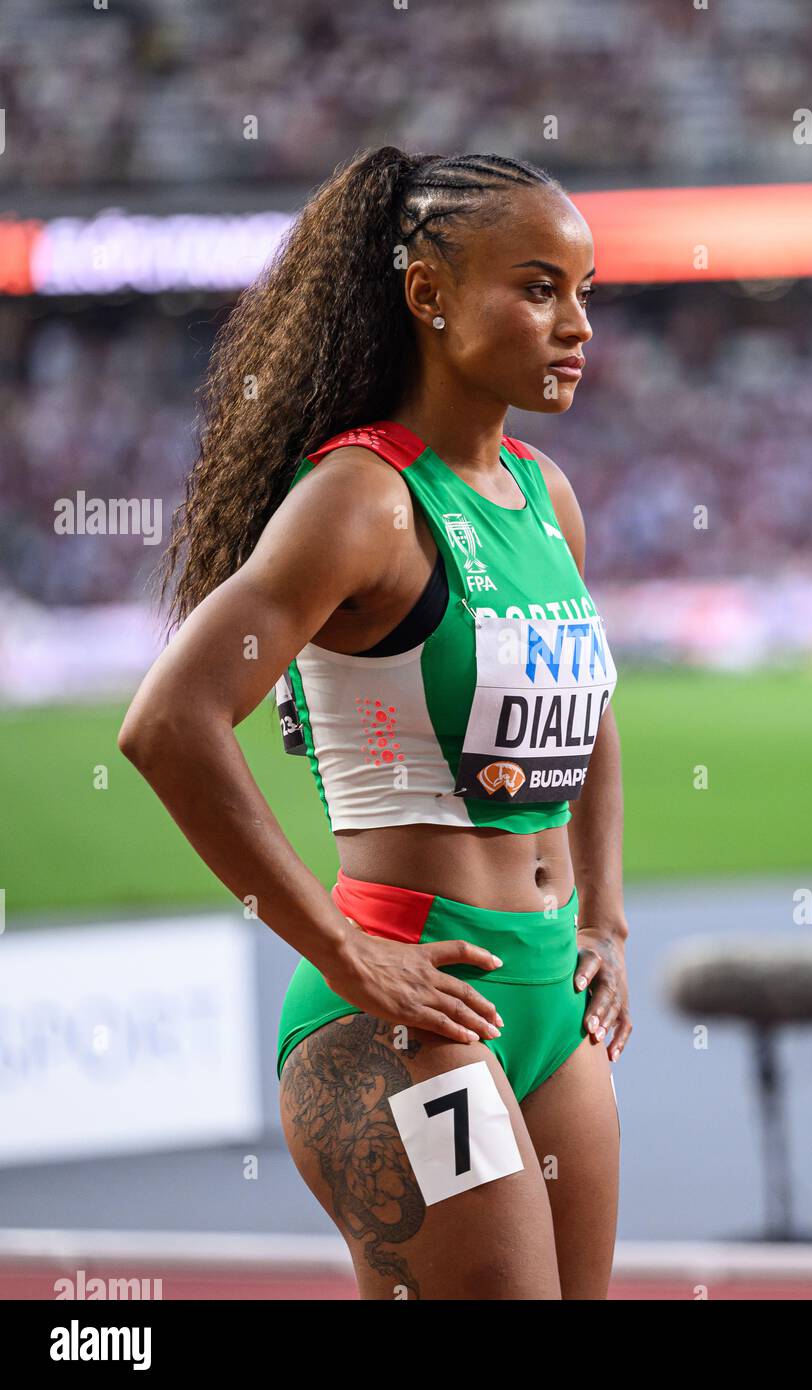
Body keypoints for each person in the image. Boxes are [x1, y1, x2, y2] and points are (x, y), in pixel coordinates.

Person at [118, 146, 631, 1300]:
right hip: (406, 1008)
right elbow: (170, 723)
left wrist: (607, 919)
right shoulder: (361, 502)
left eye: (584, 293)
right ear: (429, 295)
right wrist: (343, 951)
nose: (576, 325)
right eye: (539, 287)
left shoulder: (545, 498)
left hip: (550, 997)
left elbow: (592, 717)